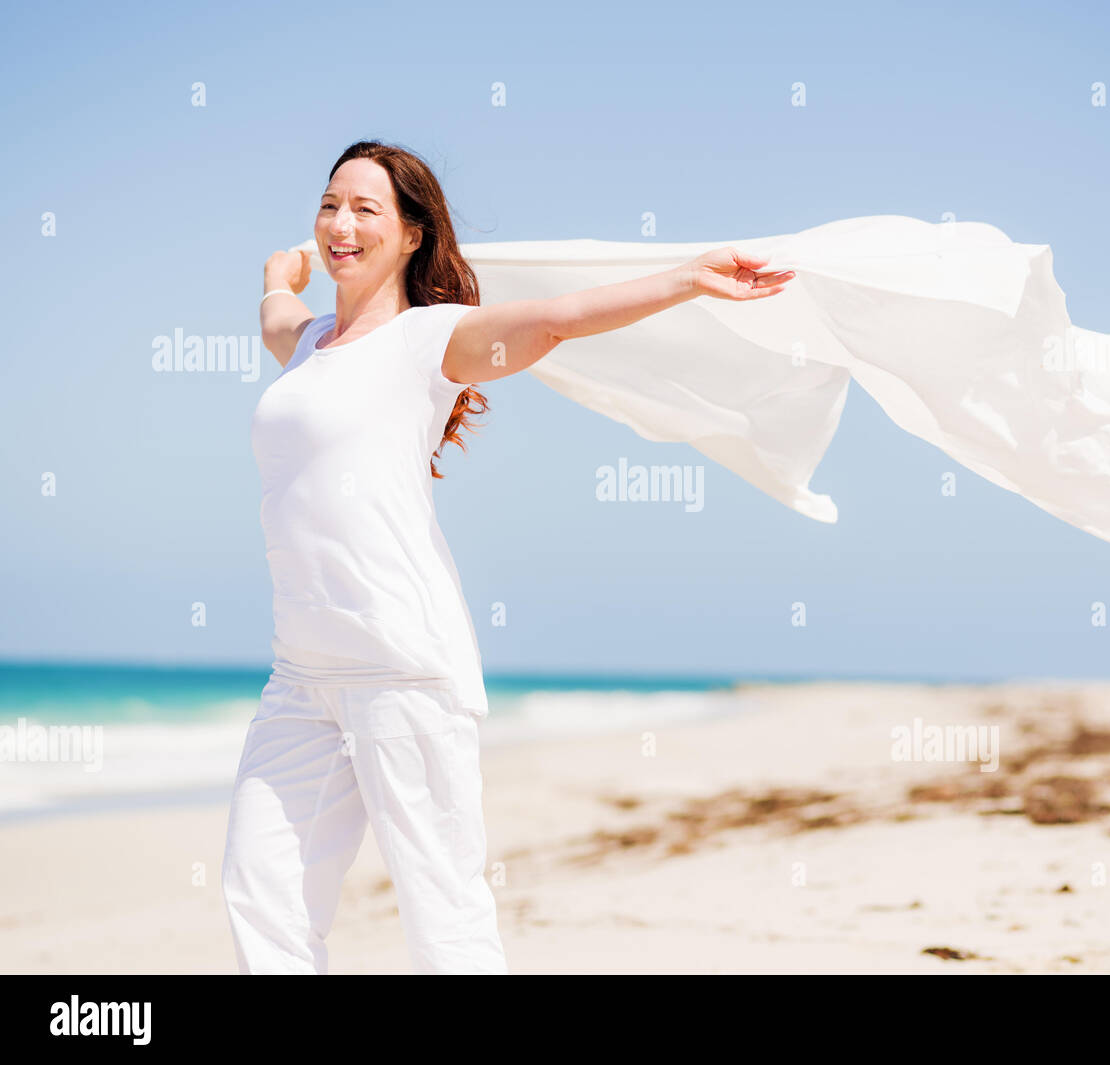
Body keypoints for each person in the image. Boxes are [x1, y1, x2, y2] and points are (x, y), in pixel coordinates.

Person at [220, 139, 795, 974]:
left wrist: (687, 276)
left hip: (403, 668)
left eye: (366, 209)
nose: (340, 224)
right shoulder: (308, 345)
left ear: (414, 234)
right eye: (329, 203)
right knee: (259, 895)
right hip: (301, 676)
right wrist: (279, 279)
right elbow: (277, 320)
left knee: (442, 915)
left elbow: (557, 319)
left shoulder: (432, 342)